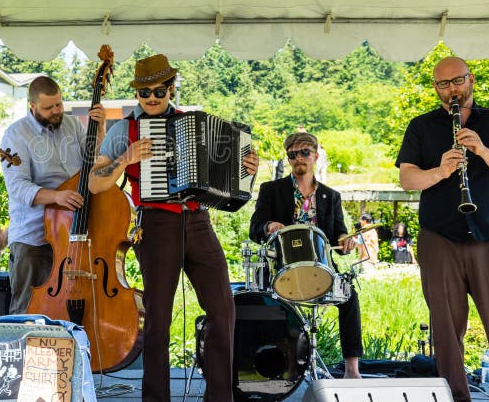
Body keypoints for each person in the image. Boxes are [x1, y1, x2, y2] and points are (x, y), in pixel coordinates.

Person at [88, 54, 259, 402]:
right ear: (137, 94)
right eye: (145, 93)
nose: (152, 98)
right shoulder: (125, 130)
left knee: (223, 311)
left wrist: (247, 168)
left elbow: (228, 178)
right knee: (157, 322)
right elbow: (94, 183)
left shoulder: (191, 122)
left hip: (198, 221)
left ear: (171, 88)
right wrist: (125, 159)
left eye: (159, 91)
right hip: (155, 224)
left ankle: (219, 398)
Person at [396, 56, 489, 402]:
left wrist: (484, 151)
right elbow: (406, 178)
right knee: (445, 332)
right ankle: (455, 397)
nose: (452, 90)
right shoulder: (421, 126)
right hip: (439, 237)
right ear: (435, 88)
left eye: (457, 81)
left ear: (471, 79)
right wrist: (441, 171)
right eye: (443, 84)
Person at [250, 131, 363, 379]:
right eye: (292, 154)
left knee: (349, 296)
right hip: (283, 269)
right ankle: (282, 367)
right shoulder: (272, 190)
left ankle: (352, 369)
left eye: (304, 153)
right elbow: (254, 228)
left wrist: (346, 242)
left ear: (316, 155)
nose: (298, 158)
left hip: (322, 269)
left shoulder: (330, 196)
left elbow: (338, 235)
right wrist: (268, 226)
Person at [0, 76, 105, 314]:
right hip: (33, 237)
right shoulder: (16, 134)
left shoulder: (73, 125)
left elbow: (94, 163)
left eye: (59, 104)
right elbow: (17, 186)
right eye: (49, 108)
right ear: (32, 106)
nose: (56, 111)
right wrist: (56, 197)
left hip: (73, 233)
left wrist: (100, 128)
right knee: (28, 308)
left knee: (68, 309)